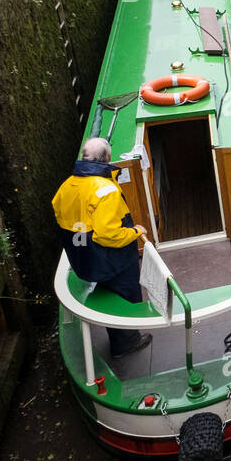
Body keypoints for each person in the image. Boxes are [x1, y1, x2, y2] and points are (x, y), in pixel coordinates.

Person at [51, 137, 151, 357]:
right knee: (126, 297)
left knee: (108, 295)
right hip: (111, 260)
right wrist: (136, 232)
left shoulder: (67, 185)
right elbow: (109, 235)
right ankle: (127, 344)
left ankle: (118, 338)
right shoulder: (106, 190)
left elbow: (63, 217)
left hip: (84, 258)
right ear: (107, 158)